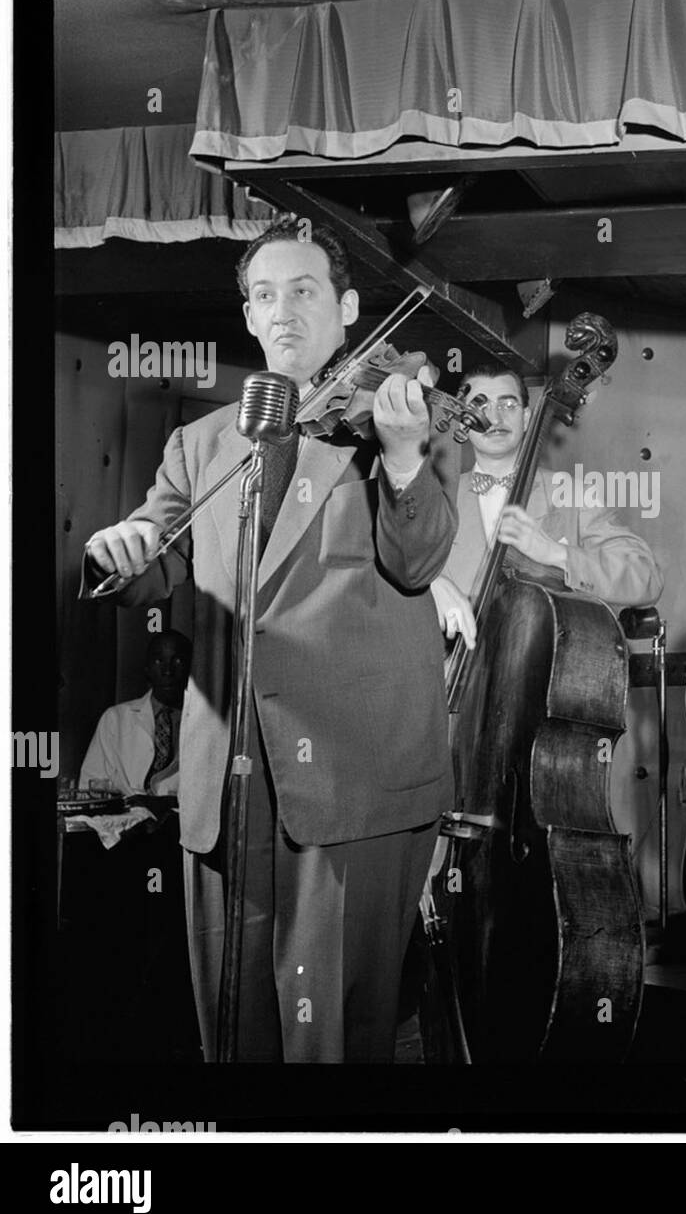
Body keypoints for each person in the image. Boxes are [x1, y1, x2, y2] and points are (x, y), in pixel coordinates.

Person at [80, 216, 456, 1062]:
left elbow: (419, 558)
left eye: (304, 290)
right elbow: (154, 557)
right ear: (248, 317)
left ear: (349, 306)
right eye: (263, 295)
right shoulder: (200, 442)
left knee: (336, 1047)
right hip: (224, 793)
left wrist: (400, 459)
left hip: (355, 788)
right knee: (234, 1036)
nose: (282, 311)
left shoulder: (406, 422)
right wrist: (121, 550)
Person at [428, 363, 663, 647]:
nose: (494, 416)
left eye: (508, 404)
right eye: (481, 405)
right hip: (451, 678)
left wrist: (558, 554)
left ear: (527, 417)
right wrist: (430, 586)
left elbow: (645, 577)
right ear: (462, 418)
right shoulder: (437, 497)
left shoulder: (573, 493)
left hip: (541, 674)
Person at [79, 630, 193, 798]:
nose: (167, 671)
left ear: (190, 668)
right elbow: (90, 786)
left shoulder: (204, 726)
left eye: (177, 661)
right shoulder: (115, 719)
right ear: (147, 669)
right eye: (158, 661)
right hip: (123, 819)